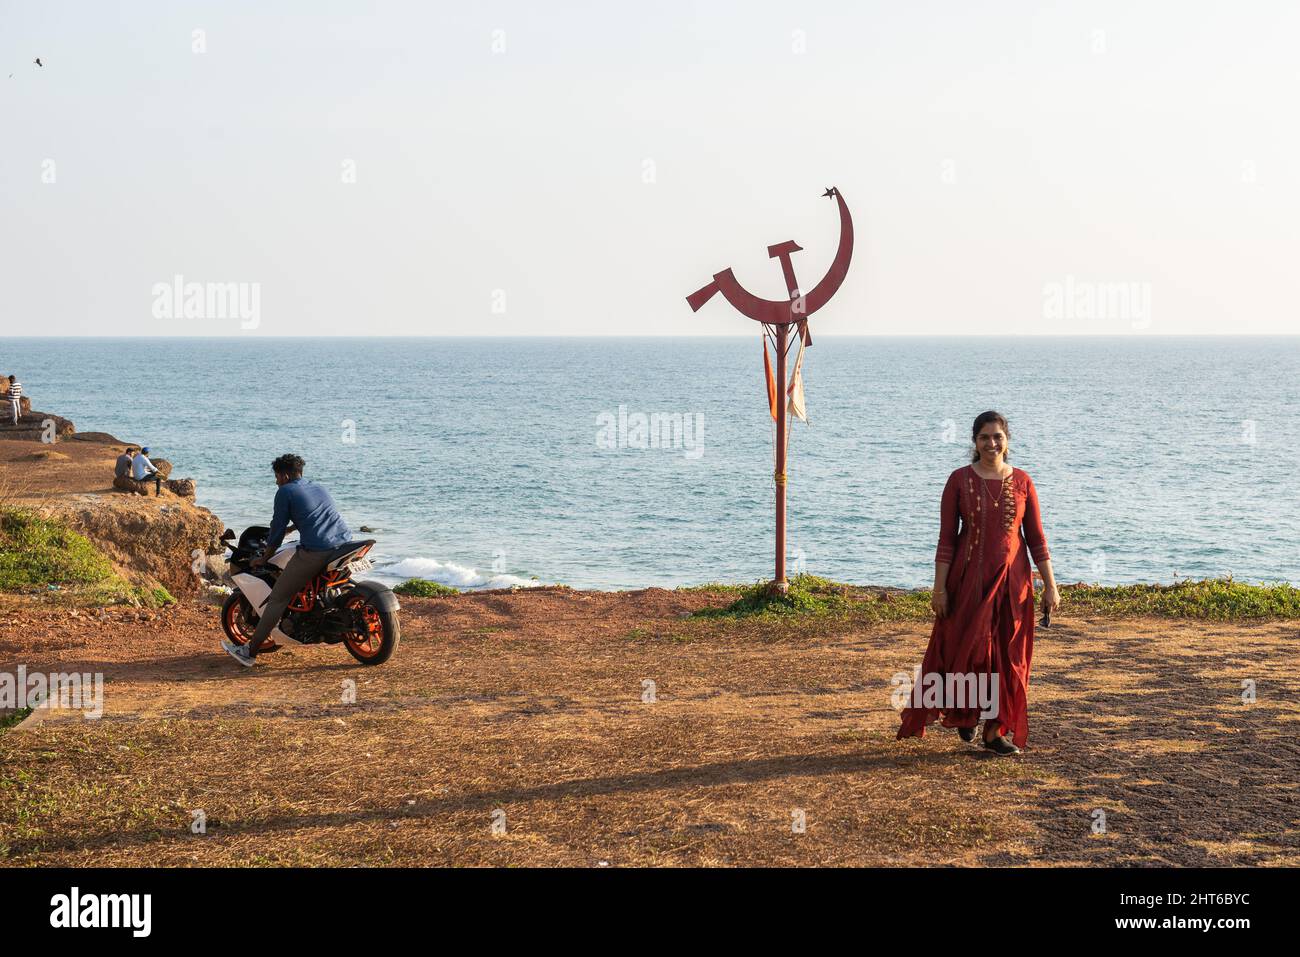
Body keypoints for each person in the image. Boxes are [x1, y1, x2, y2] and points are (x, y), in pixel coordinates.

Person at [897, 411, 1060, 755]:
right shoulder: (958, 481)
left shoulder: (1023, 482)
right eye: (985, 437)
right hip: (967, 580)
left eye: (998, 436)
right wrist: (939, 589)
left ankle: (994, 731)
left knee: (1007, 654)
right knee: (965, 649)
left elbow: (1036, 538)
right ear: (974, 441)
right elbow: (946, 540)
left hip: (1014, 583)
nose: (991, 443)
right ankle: (965, 714)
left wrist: (1050, 585)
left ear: (1007, 440)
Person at [222, 454, 352, 667]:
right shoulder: (318, 487)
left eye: (276, 477)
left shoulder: (285, 491)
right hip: (344, 542)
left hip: (317, 551)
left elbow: (277, 530)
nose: (276, 481)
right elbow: (315, 517)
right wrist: (293, 529)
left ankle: (249, 652)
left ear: (284, 475)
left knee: (278, 599)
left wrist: (263, 558)